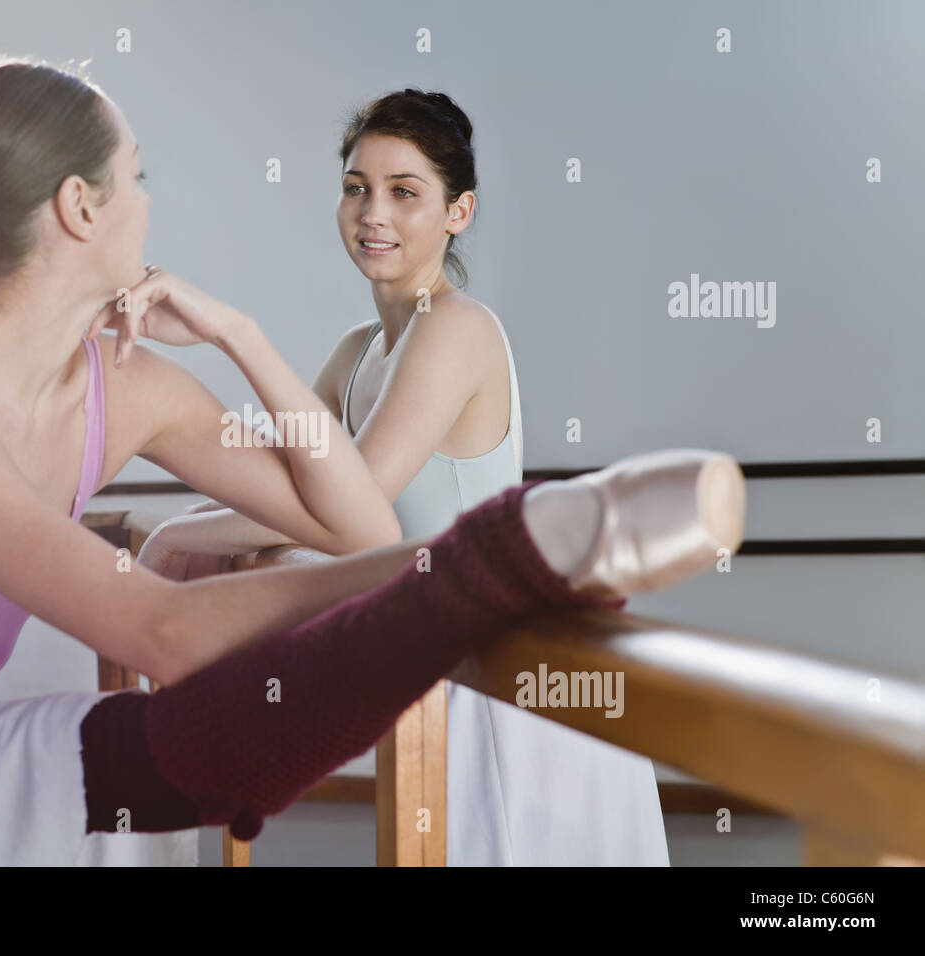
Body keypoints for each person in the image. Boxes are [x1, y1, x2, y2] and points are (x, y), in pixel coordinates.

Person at [0, 55, 745, 866]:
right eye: (137, 176)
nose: (151, 199)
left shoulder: (129, 387)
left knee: (101, 775)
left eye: (402, 191)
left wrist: (236, 337)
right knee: (97, 763)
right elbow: (160, 630)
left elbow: (352, 522)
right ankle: (510, 561)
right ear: (81, 207)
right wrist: (478, 565)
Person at [135, 89, 672, 865]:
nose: (372, 213)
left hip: (507, 680)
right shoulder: (357, 351)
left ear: (459, 212)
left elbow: (360, 500)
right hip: (436, 662)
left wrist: (179, 532)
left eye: (404, 192)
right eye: (357, 188)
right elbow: (281, 486)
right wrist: (177, 517)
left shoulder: (458, 328)